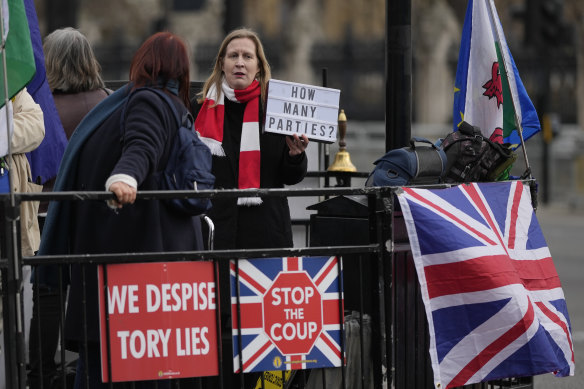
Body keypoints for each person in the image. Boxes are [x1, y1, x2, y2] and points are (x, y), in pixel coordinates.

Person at [37, 31, 202, 388]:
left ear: (143, 62)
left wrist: (124, 177)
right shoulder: (153, 102)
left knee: (112, 370)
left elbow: (141, 145)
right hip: (132, 269)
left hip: (129, 272)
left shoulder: (148, 101)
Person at [191, 27, 309, 385]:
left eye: (247, 56)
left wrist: (295, 153)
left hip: (266, 231)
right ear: (221, 64)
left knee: (267, 322)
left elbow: (290, 177)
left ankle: (266, 386)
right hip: (218, 232)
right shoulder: (201, 108)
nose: (240, 62)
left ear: (259, 66)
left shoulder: (278, 109)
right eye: (233, 55)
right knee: (220, 321)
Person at [28, 27, 110, 389]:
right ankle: (97, 367)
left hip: (49, 212)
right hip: (99, 215)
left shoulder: (41, 110)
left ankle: (41, 371)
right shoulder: (109, 101)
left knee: (48, 292)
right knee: (96, 288)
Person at [0, 87, 45, 389]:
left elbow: (36, 125)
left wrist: (3, 135)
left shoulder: (10, 81)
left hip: (10, 213)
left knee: (12, 304)